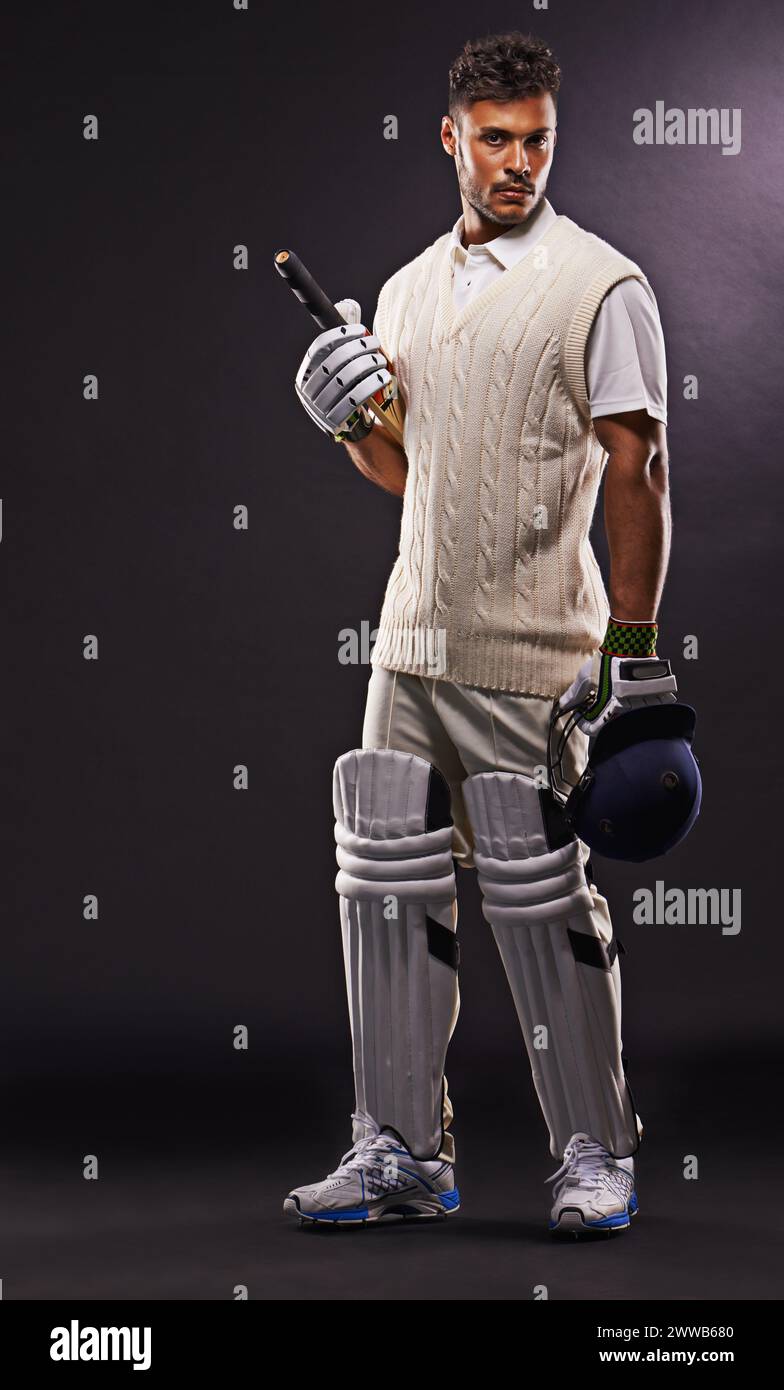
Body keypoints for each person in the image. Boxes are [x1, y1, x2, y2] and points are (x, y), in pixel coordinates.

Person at [284, 30, 672, 1237]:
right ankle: (402, 1150)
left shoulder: (601, 286)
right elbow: (415, 472)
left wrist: (630, 647)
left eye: (537, 139)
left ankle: (596, 1153)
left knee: (542, 896)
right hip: (409, 646)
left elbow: (638, 468)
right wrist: (345, 420)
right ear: (450, 139)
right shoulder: (402, 291)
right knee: (384, 890)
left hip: (532, 650)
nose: (518, 163)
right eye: (495, 140)